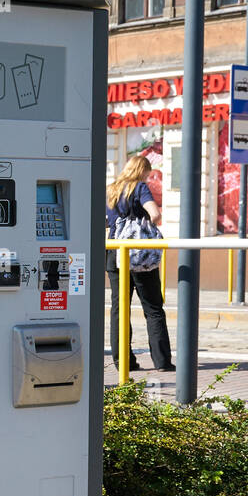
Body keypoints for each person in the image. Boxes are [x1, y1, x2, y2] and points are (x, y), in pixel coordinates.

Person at [106, 155, 174, 372]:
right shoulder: (139, 187)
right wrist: (149, 223)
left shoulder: (112, 189)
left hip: (114, 252)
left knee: (119, 308)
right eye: (147, 172)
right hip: (139, 255)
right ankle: (162, 361)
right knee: (153, 308)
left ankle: (123, 361)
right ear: (142, 171)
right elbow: (155, 214)